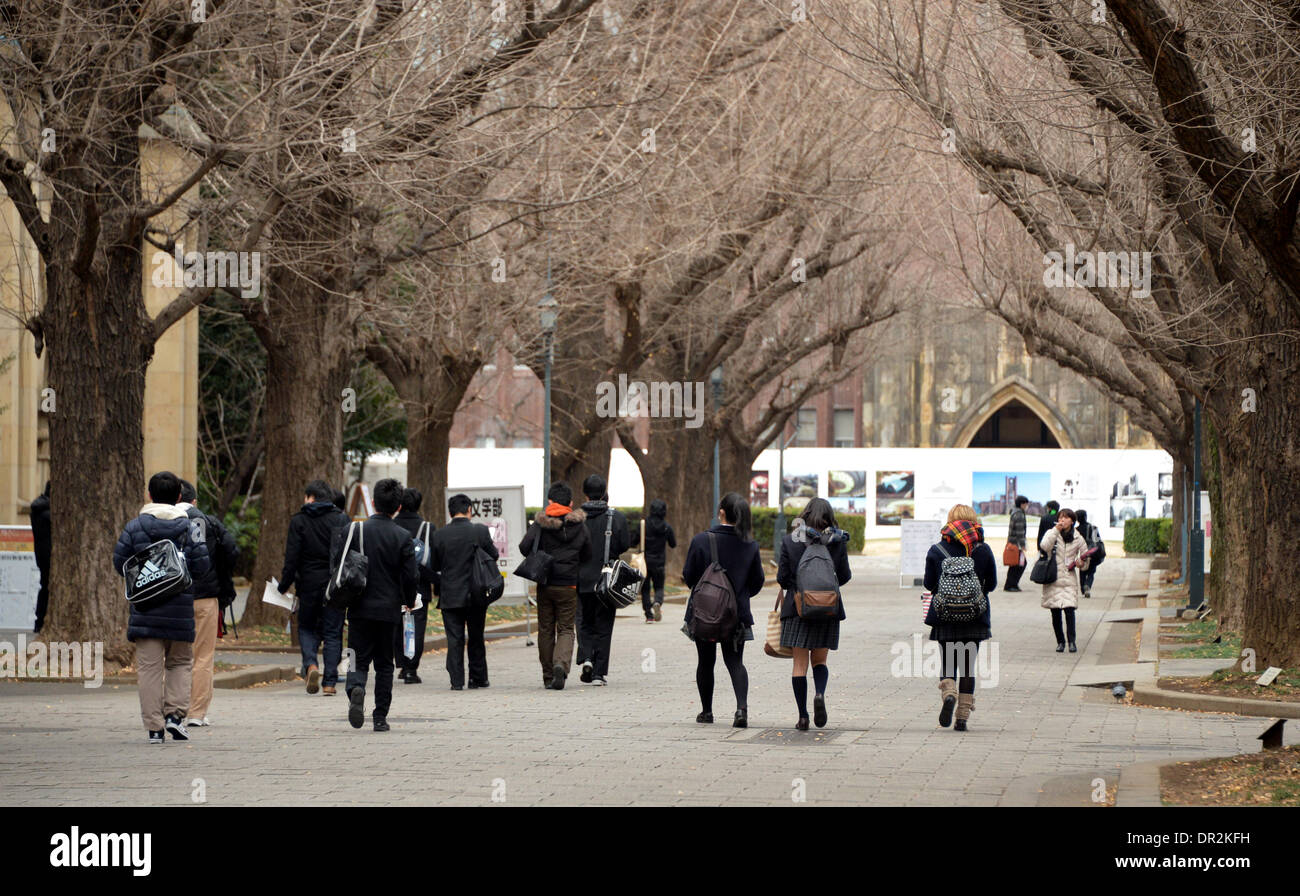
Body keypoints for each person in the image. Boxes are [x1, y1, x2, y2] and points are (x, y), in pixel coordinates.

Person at [112, 471, 211, 744]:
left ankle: (154, 728)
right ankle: (175, 717)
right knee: (180, 663)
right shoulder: (190, 527)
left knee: (149, 669)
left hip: (145, 609)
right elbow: (202, 567)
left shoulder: (135, 527)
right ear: (179, 497)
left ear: (149, 495)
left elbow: (120, 563)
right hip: (180, 609)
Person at [334, 478, 419, 732]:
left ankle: (356, 688)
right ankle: (380, 716)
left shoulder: (355, 530)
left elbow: (340, 562)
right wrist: (408, 600)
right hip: (389, 609)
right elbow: (410, 575)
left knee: (356, 657)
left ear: (373, 503)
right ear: (398, 507)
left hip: (359, 605)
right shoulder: (403, 536)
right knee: (384, 663)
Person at [682, 493, 764, 728]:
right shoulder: (750, 545)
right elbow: (757, 581)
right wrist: (740, 596)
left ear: (722, 513)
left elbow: (689, 576)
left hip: (705, 614)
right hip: (736, 616)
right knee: (735, 661)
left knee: (705, 661)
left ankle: (707, 711)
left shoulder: (701, 541)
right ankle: (741, 709)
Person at [776, 498, 852, 731]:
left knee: (799, 665)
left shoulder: (791, 540)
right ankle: (819, 693)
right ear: (829, 517)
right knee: (820, 660)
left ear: (805, 514)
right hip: (827, 609)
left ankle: (803, 716)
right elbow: (845, 575)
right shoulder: (837, 541)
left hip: (798, 609)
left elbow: (782, 578)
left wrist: (799, 589)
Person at [924, 504, 996, 732]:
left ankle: (948, 694)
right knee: (967, 666)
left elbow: (928, 583)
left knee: (948, 661)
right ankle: (962, 717)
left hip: (945, 616)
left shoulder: (937, 549)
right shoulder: (982, 549)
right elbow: (992, 584)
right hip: (975, 616)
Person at [177, 479, 239, 727]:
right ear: (194, 501)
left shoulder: (160, 522)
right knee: (203, 656)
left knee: (173, 656)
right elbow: (232, 550)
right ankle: (196, 713)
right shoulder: (208, 522)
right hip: (205, 597)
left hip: (171, 599)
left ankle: (172, 709)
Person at [279, 479, 351, 695]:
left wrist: (284, 585)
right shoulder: (341, 519)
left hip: (308, 583)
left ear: (310, 497)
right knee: (332, 632)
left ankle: (311, 665)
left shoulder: (299, 521)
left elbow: (292, 558)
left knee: (307, 627)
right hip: (335, 584)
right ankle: (329, 682)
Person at [519, 482, 591, 689]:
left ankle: (548, 675)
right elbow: (588, 554)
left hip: (545, 582)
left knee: (545, 628)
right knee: (567, 628)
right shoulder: (579, 525)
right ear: (570, 502)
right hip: (569, 584)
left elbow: (524, 547)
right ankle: (561, 664)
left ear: (550, 501)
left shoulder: (540, 523)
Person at [429, 493, 499, 690]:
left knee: (454, 638)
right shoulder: (480, 531)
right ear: (470, 509)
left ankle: (456, 680)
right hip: (476, 593)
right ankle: (478, 678)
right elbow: (493, 555)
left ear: (450, 512)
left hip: (450, 594)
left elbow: (434, 565)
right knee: (476, 635)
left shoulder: (439, 535)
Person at [575, 474, 630, 686]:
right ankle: (599, 673)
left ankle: (587, 657)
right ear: (604, 491)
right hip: (607, 580)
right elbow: (625, 543)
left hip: (581, 579)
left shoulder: (575, 518)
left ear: (585, 493)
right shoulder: (616, 518)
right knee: (604, 626)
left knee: (584, 621)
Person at [393, 488, 433, 684]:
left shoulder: (391, 525)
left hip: (394, 586)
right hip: (420, 585)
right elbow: (434, 561)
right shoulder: (427, 528)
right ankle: (411, 669)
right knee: (416, 627)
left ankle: (401, 663)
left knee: (397, 626)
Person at [1040, 508, 1090, 653]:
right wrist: (1055, 530)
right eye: (1061, 517)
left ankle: (1072, 642)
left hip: (1068, 578)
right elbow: (1044, 546)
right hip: (1053, 578)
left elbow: (1085, 555)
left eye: (1066, 518)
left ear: (1072, 521)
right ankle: (1060, 642)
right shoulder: (1052, 533)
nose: (1063, 520)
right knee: (1055, 613)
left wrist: (1082, 563)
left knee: (1069, 611)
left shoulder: (1077, 537)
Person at [633, 499, 676, 623]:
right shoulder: (667, 527)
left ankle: (649, 615)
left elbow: (634, 541)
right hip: (659, 562)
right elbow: (673, 544)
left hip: (644, 562)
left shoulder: (643, 524)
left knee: (645, 589)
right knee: (659, 587)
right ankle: (657, 602)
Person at [29, 482, 50, 633]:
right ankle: (40, 620)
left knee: (45, 588)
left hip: (42, 555)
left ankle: (40, 620)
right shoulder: (47, 513)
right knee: (46, 589)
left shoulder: (38, 509)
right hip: (48, 555)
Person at [1074, 509, 1102, 599]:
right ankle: (1088, 585)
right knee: (1091, 572)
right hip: (1092, 552)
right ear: (1086, 517)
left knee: (1082, 571)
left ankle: (1083, 588)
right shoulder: (1093, 528)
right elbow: (1098, 540)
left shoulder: (1076, 530)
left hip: (1082, 554)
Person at [1004, 495, 1029, 592]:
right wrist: (1023, 545)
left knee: (1015, 564)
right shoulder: (1019, 514)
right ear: (1022, 504)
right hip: (1016, 544)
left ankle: (1011, 584)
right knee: (1019, 564)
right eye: (1026, 504)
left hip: (1013, 542)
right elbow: (1020, 532)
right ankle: (1011, 585)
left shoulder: (1015, 512)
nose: (1027, 506)